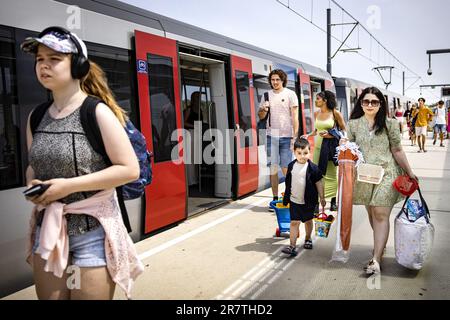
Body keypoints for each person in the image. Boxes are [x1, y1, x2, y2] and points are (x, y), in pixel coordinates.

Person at [21, 26, 143, 299]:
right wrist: (34, 184)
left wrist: (67, 187)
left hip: (93, 233)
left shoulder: (96, 112)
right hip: (48, 229)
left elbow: (129, 169)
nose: (44, 65)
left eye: (54, 58)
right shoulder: (36, 116)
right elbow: (33, 165)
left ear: (77, 65)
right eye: (40, 59)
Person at [343, 87, 417, 275]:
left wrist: (410, 172)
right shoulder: (353, 124)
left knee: (380, 213)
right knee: (372, 213)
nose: (369, 105)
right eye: (366, 101)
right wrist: (343, 145)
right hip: (364, 176)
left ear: (380, 104)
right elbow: (348, 145)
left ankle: (375, 260)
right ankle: (380, 246)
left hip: (387, 173)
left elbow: (397, 150)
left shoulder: (390, 124)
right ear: (361, 103)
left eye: (374, 102)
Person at [257, 69, 299, 211]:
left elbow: (295, 117)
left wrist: (294, 136)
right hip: (271, 135)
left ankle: (289, 197)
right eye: (272, 80)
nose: (275, 82)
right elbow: (261, 116)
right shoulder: (266, 95)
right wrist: (263, 109)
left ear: (282, 80)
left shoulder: (290, 94)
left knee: (286, 169)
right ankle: (275, 199)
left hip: (287, 137)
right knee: (273, 169)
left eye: (277, 80)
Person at [281, 138, 326, 256]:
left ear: (309, 152)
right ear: (294, 152)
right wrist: (286, 196)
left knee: (308, 221)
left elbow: (319, 183)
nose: (302, 156)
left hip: (308, 201)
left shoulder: (313, 168)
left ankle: (308, 238)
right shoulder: (291, 166)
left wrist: (322, 197)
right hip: (294, 200)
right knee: (294, 222)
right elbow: (288, 182)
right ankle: (292, 245)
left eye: (305, 153)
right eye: (299, 153)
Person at [302, 91, 345, 212]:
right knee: (317, 175)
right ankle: (317, 202)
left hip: (330, 149)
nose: (316, 101)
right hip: (318, 148)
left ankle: (332, 201)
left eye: (318, 98)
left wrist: (331, 136)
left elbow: (343, 131)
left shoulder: (335, 113)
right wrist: (308, 135)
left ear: (325, 100)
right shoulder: (317, 113)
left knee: (331, 174)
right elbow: (317, 130)